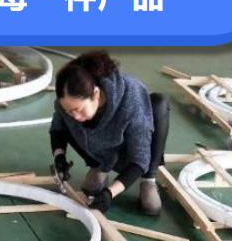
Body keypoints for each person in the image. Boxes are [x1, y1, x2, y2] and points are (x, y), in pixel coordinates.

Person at [50, 50, 169, 216]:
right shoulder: (68, 102)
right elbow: (58, 129)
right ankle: (100, 166)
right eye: (69, 111)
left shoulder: (131, 100)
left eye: (79, 109)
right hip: (98, 146)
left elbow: (140, 159)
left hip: (127, 151)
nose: (75, 116)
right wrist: (59, 157)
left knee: (151, 207)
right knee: (71, 119)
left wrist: (110, 193)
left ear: (96, 94)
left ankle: (148, 179)